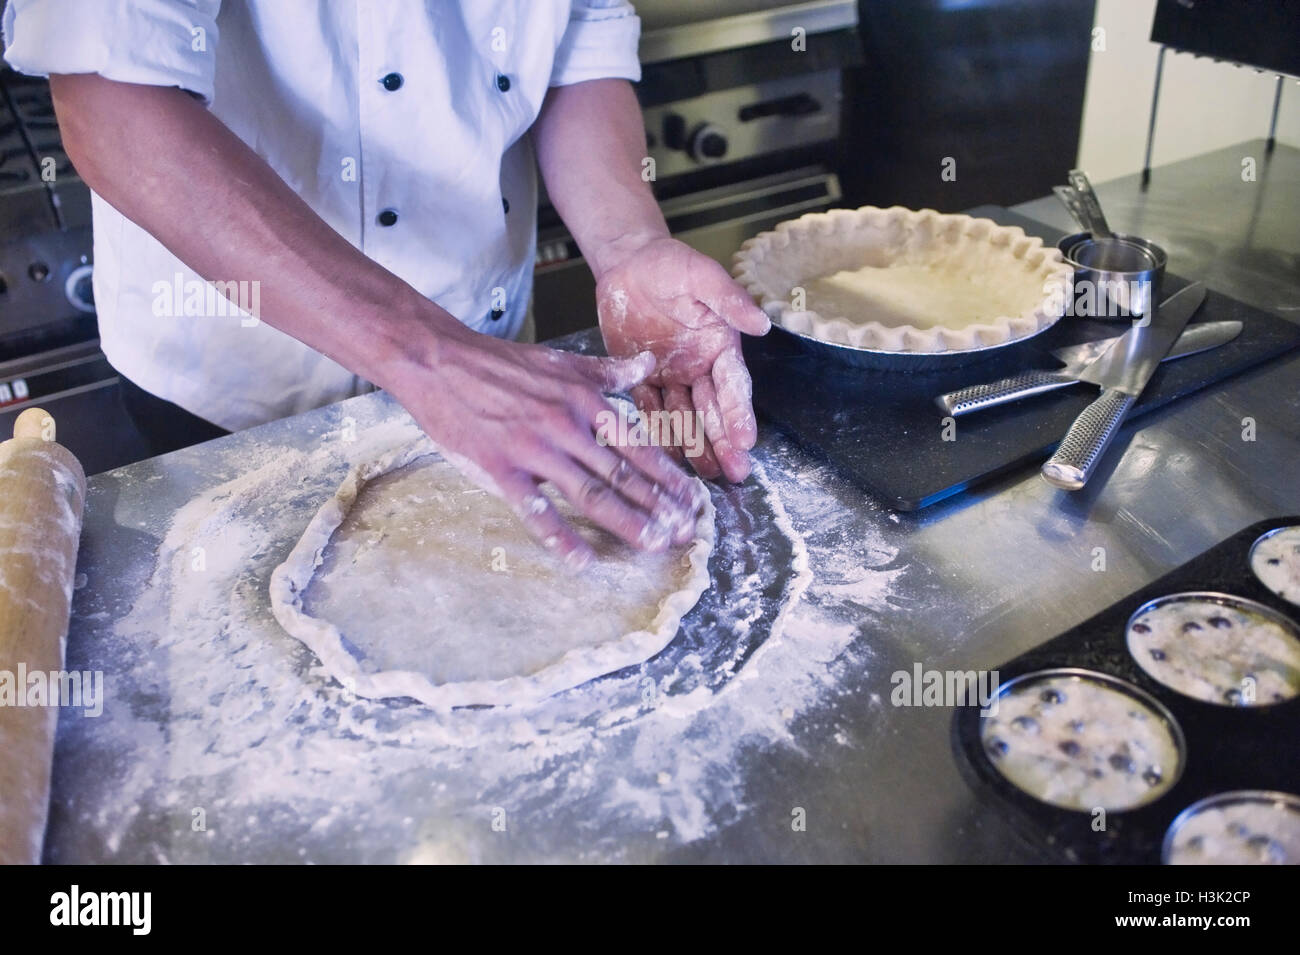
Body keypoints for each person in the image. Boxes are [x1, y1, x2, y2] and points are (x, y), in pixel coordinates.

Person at [1, 0, 771, 569]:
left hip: (493, 353)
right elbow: (112, 103)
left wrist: (630, 245)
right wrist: (428, 355)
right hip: (234, 377)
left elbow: (580, 45)